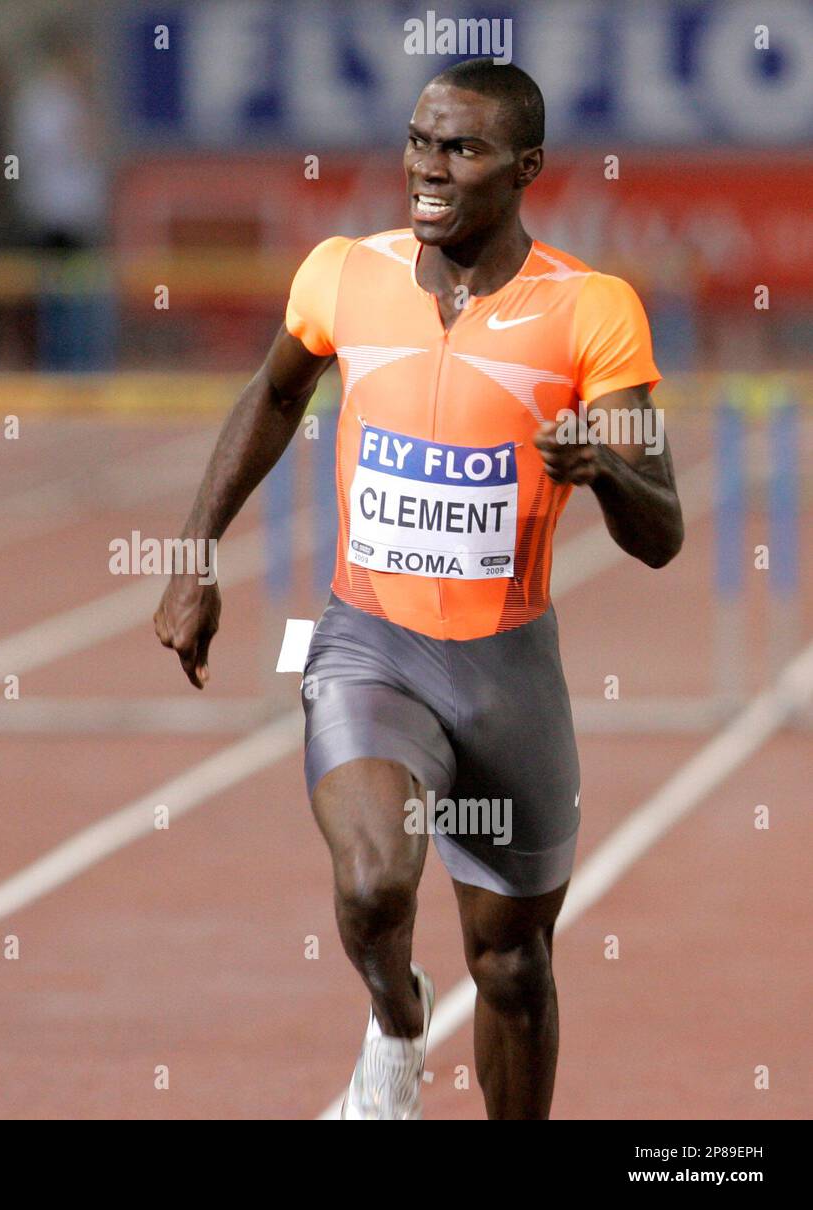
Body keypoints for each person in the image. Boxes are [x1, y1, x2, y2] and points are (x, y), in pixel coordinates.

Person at [155, 59, 683, 1120]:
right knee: (371, 884)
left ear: (526, 168)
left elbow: (662, 530)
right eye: (417, 142)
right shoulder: (343, 273)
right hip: (367, 644)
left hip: (506, 671)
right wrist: (193, 554)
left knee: (513, 965)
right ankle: (396, 1028)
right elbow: (271, 394)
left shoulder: (592, 311)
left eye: (461, 149)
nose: (427, 170)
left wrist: (605, 469)